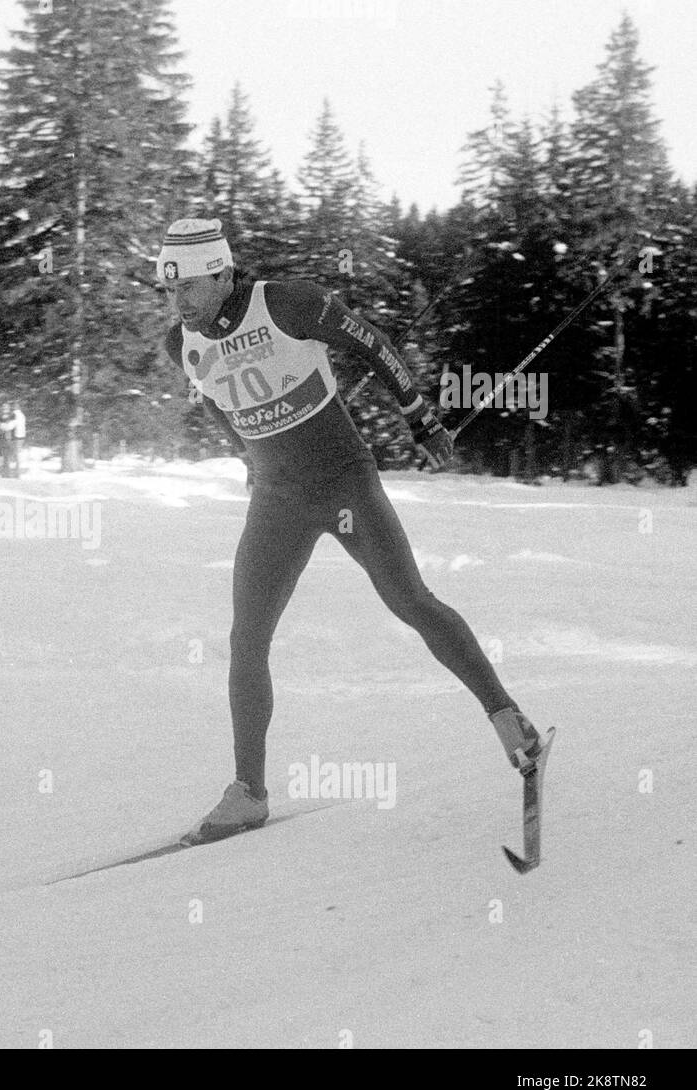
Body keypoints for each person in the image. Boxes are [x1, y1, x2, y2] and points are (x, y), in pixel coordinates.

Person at [157, 218, 552, 845]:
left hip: (344, 484)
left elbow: (375, 343)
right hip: (279, 499)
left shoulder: (287, 303)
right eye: (170, 291)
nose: (180, 304)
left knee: (410, 601)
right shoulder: (183, 345)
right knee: (247, 637)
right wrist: (248, 461)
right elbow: (218, 405)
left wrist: (420, 418)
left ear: (225, 274)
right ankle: (248, 791)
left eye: (191, 289)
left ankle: (507, 716)